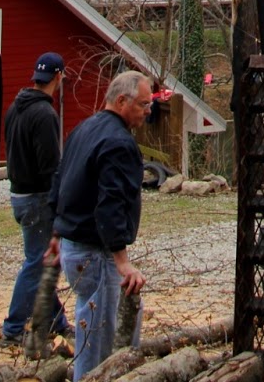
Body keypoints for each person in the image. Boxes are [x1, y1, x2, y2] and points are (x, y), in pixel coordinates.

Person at [46, 71, 151, 381]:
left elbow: (59, 182)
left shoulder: (84, 128)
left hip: (74, 247)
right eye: (143, 104)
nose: (148, 110)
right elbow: (110, 203)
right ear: (121, 101)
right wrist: (121, 259)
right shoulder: (118, 142)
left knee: (94, 328)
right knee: (99, 344)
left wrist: (56, 233)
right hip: (96, 252)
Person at [2, 52, 70, 347]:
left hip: (18, 193)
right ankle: (13, 328)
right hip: (37, 198)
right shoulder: (44, 114)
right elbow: (50, 166)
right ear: (59, 76)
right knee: (36, 263)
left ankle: (57, 321)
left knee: (45, 260)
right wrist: (59, 201)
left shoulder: (15, 108)